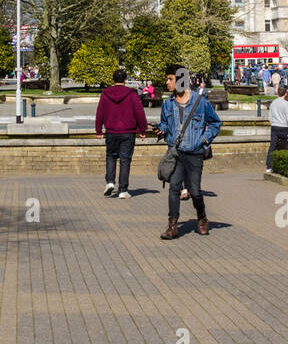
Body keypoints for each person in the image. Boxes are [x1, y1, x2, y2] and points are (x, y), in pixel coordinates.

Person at [155, 65, 222, 239]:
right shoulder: (167, 104)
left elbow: (216, 123)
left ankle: (202, 217)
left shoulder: (201, 103)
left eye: (171, 79)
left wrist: (204, 139)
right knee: (174, 188)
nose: (167, 82)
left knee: (195, 191)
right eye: (168, 78)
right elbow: (165, 124)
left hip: (194, 154)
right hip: (175, 152)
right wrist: (160, 129)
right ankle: (172, 226)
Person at [94, 68, 148, 198]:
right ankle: (123, 190)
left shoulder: (105, 93)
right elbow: (139, 113)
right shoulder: (132, 94)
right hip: (128, 132)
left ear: (113, 80)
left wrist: (99, 130)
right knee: (125, 160)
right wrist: (142, 129)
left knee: (111, 156)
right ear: (125, 80)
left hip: (111, 131)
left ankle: (110, 182)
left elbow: (100, 112)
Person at [267, 83, 288, 169]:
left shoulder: (273, 103)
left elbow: (270, 116)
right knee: (287, 146)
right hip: (283, 127)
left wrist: (272, 123)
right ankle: (287, 164)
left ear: (277, 93)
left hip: (274, 127)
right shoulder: (286, 104)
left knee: (272, 146)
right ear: (286, 94)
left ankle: (268, 166)